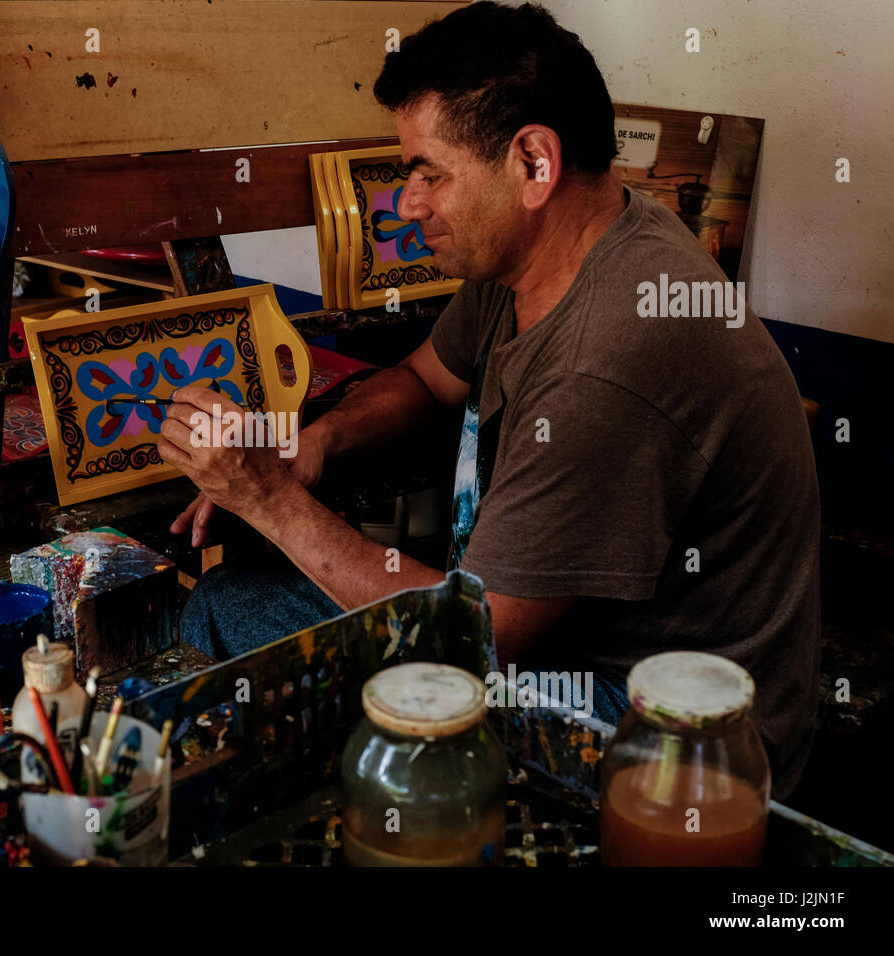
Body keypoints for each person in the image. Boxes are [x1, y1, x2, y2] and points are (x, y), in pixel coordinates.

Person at [157, 2, 819, 799]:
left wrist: (264, 499)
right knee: (250, 604)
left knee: (227, 616)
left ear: (534, 164)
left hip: (665, 739)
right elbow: (426, 380)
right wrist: (314, 447)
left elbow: (471, 643)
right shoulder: (553, 255)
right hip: (560, 648)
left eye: (428, 173)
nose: (407, 203)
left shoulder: (608, 357)